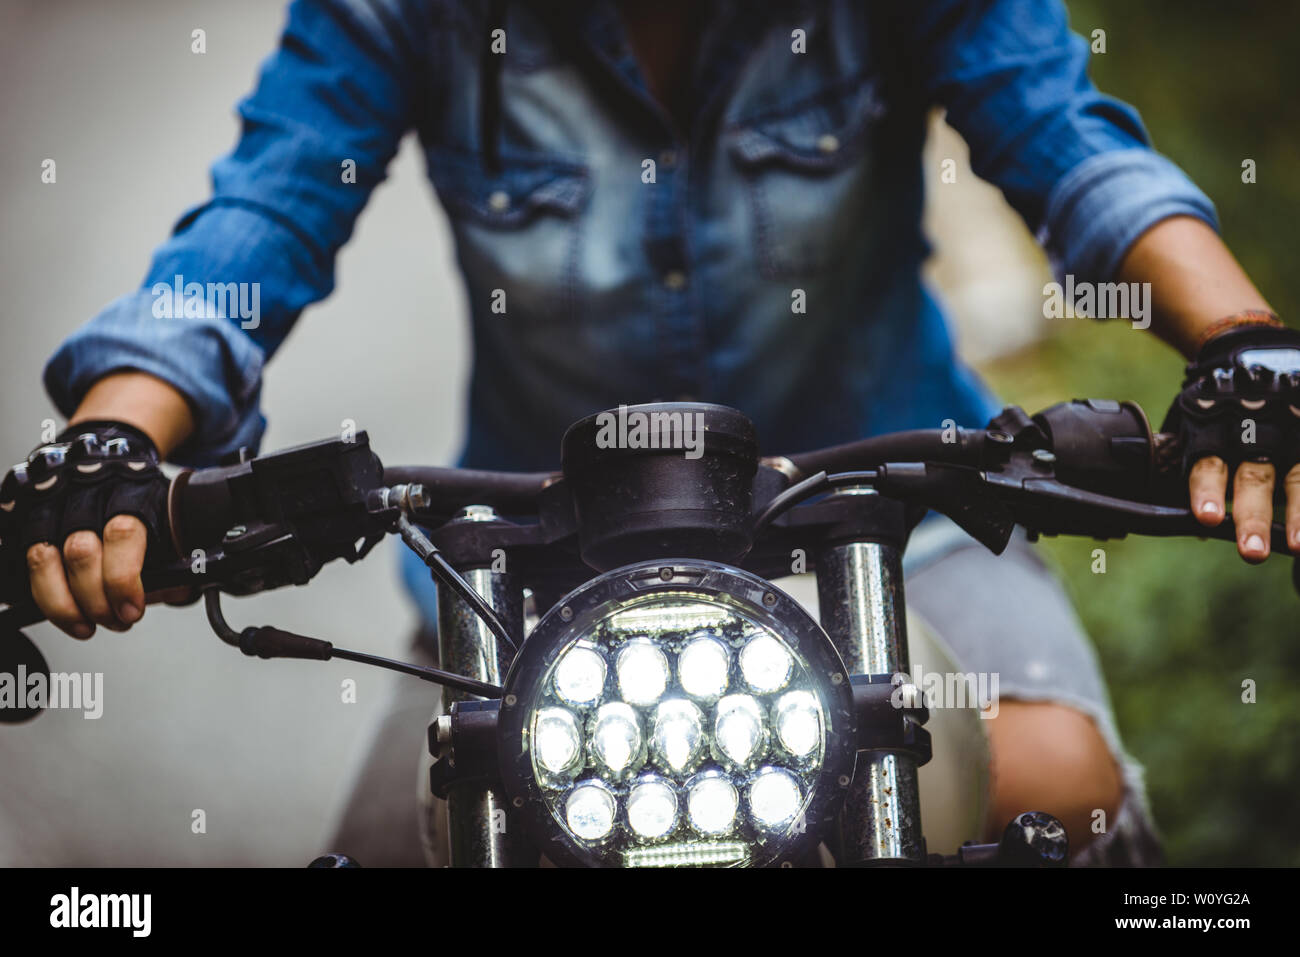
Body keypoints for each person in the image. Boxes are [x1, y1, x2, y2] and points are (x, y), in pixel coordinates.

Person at [4, 0, 1297, 865]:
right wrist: (115, 443)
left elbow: (1067, 141)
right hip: (525, 553)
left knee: (1063, 789)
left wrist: (1244, 346)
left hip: (904, 515)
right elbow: (261, 217)